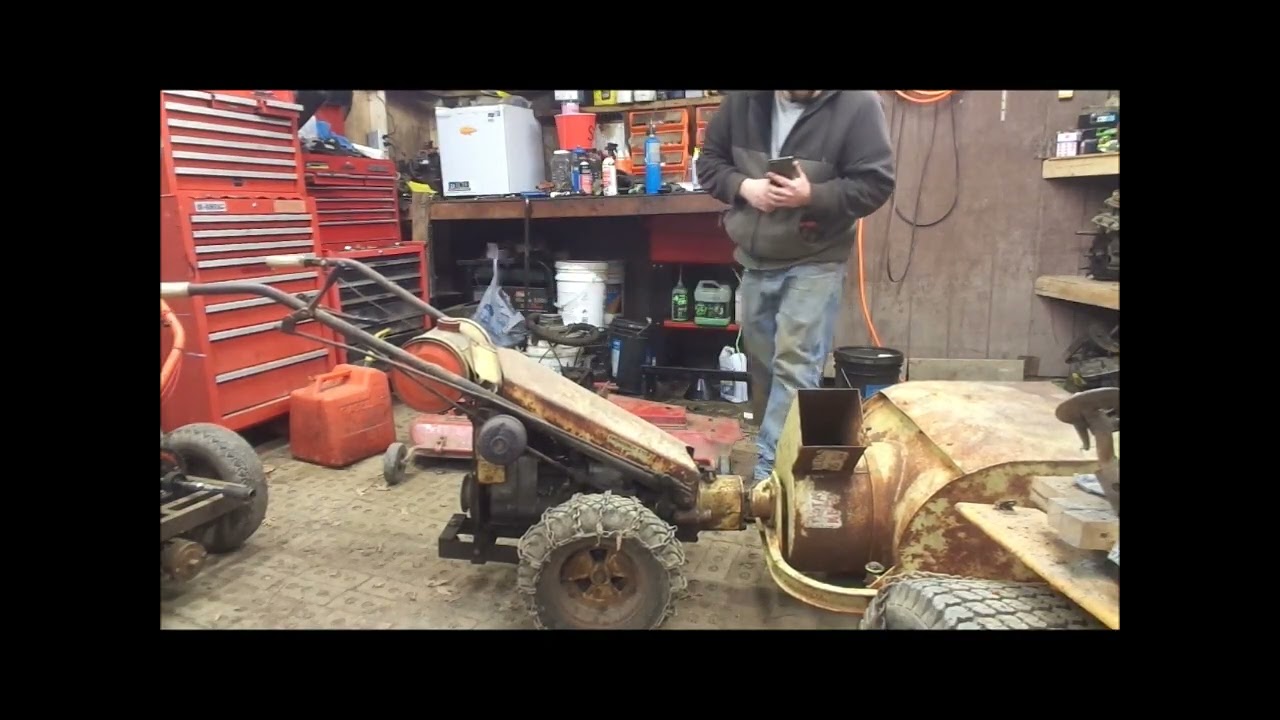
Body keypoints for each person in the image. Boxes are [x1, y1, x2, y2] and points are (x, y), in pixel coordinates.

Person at [696, 90, 896, 487]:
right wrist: (744, 187)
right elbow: (709, 164)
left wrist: (812, 195)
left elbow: (875, 184)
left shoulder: (858, 105)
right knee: (763, 363)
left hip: (815, 257)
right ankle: (783, 450)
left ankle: (772, 476)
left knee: (796, 364)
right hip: (756, 257)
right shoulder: (744, 100)